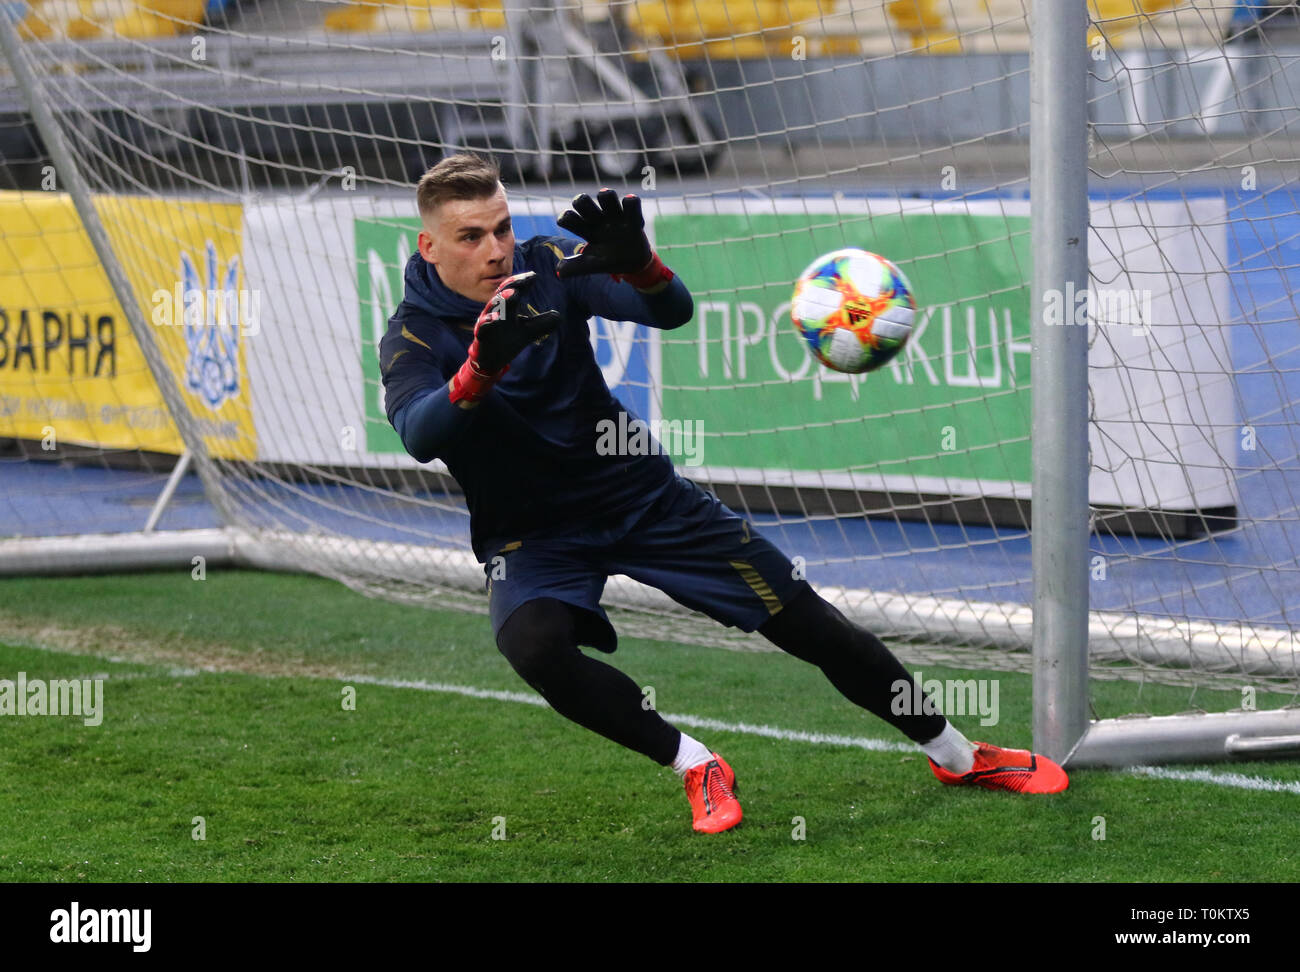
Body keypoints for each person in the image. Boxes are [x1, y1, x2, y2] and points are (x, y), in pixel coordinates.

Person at [378, 152, 1069, 834]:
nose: (496, 249)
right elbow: (419, 433)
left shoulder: (549, 265)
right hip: (532, 535)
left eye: (501, 227)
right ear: (429, 245)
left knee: (808, 623)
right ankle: (697, 764)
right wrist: (479, 368)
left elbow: (670, 311)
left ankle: (958, 755)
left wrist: (641, 265)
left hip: (641, 498)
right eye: (472, 236)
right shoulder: (412, 334)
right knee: (534, 648)